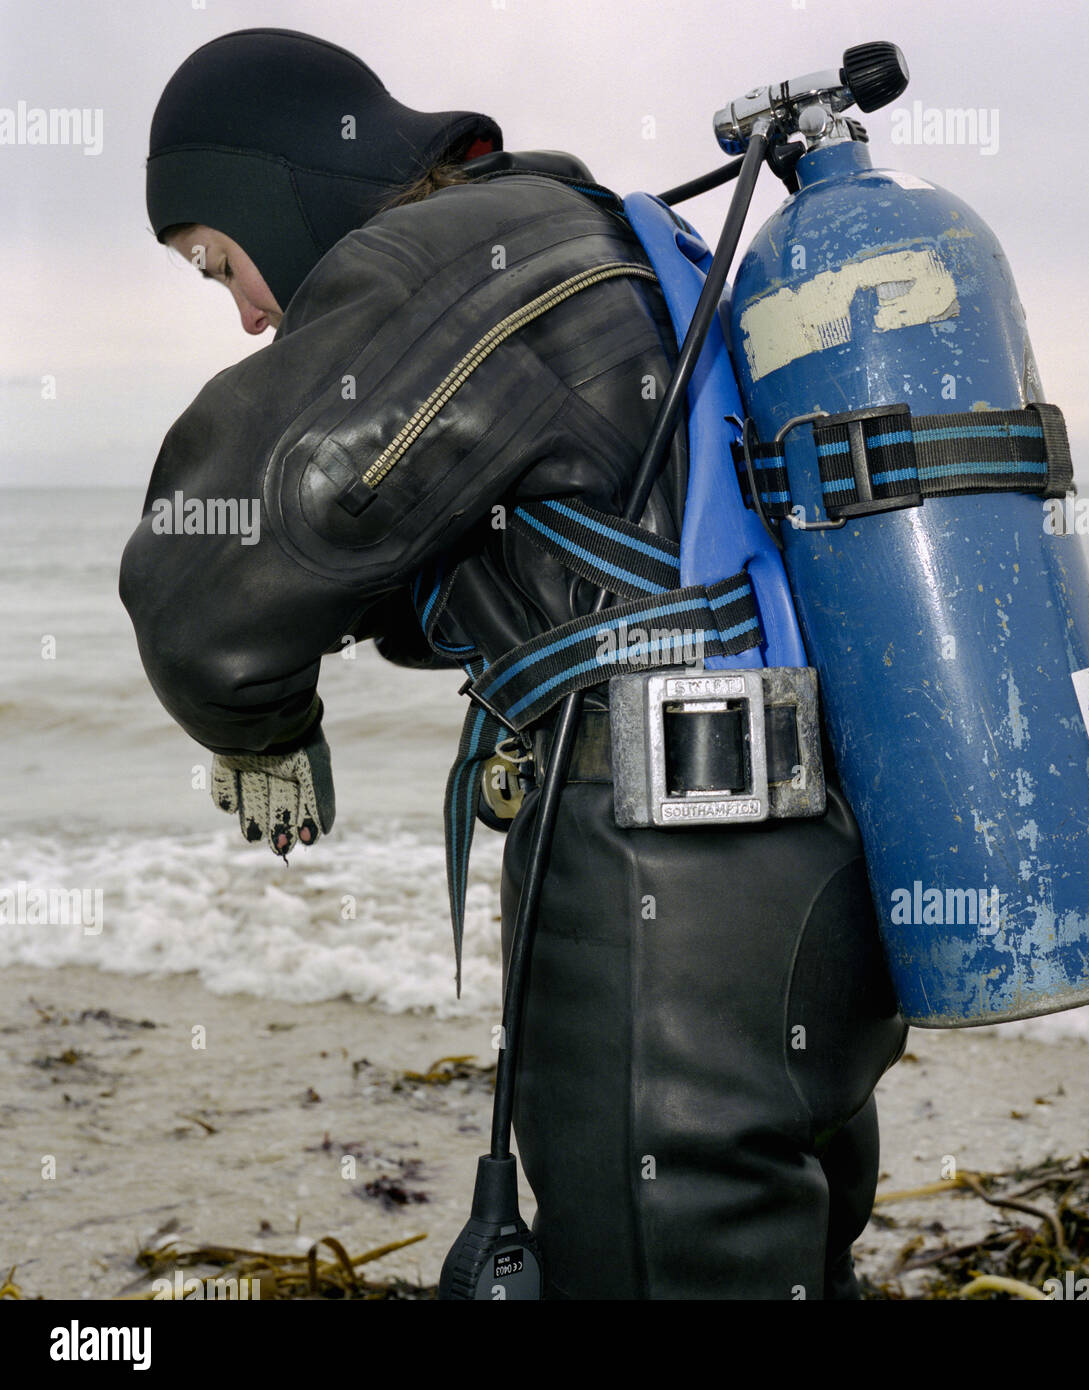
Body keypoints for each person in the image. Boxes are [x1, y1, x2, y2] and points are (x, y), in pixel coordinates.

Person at [122, 27, 907, 1299]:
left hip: (668, 874)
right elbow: (535, 563)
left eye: (219, 260)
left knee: (649, 1269)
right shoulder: (594, 235)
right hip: (815, 864)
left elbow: (217, 556)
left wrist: (253, 725)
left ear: (280, 186)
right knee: (782, 1254)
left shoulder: (442, 259)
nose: (249, 310)